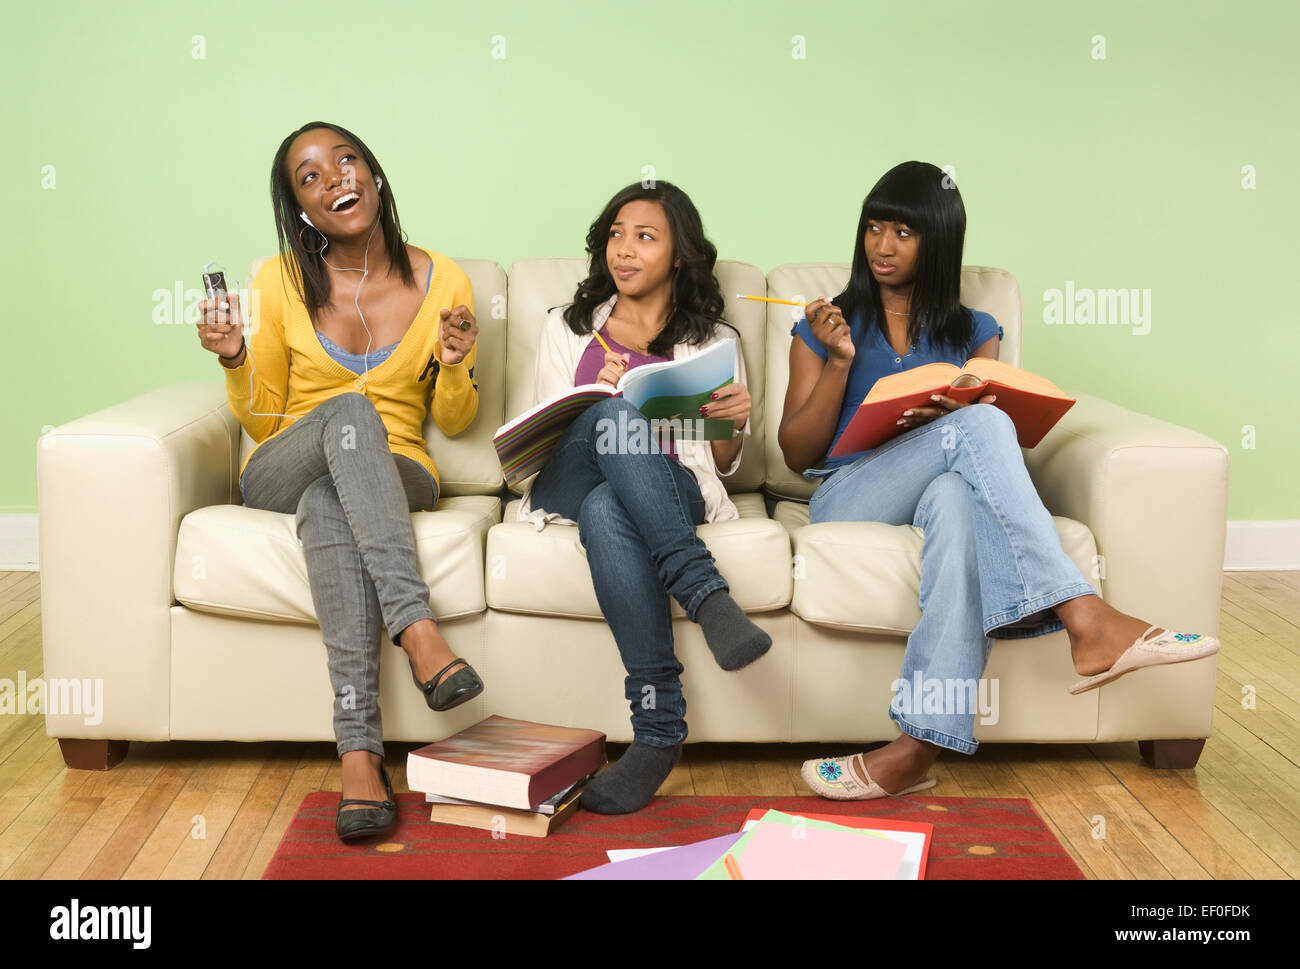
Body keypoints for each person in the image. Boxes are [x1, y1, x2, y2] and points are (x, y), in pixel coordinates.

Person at [779, 161, 1220, 801]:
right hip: (848, 495)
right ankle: (1085, 614)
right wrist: (840, 361)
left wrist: (953, 421)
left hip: (937, 493)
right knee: (982, 425)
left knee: (961, 495)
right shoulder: (825, 325)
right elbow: (796, 453)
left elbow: (986, 437)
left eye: (903, 232)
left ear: (939, 240)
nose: (882, 246)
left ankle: (916, 747)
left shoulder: (974, 331)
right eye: (874, 229)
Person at [195, 121, 485, 841]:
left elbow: (453, 420)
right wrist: (234, 356)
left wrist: (453, 363)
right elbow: (264, 421)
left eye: (347, 161)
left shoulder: (443, 277)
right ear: (301, 209)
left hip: (400, 468)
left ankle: (359, 754)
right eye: (311, 177)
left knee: (333, 499)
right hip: (285, 463)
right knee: (346, 414)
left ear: (376, 175)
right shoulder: (279, 279)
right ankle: (419, 633)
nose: (336, 179)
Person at [516, 181, 769, 814]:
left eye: (645, 237)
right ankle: (706, 595)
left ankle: (657, 734)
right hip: (566, 475)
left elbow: (723, 468)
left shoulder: (713, 342)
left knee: (609, 511)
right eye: (616, 236)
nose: (625, 251)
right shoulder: (566, 330)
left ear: (678, 255)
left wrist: (733, 426)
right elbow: (534, 445)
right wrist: (600, 406)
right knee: (612, 420)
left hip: (666, 489)